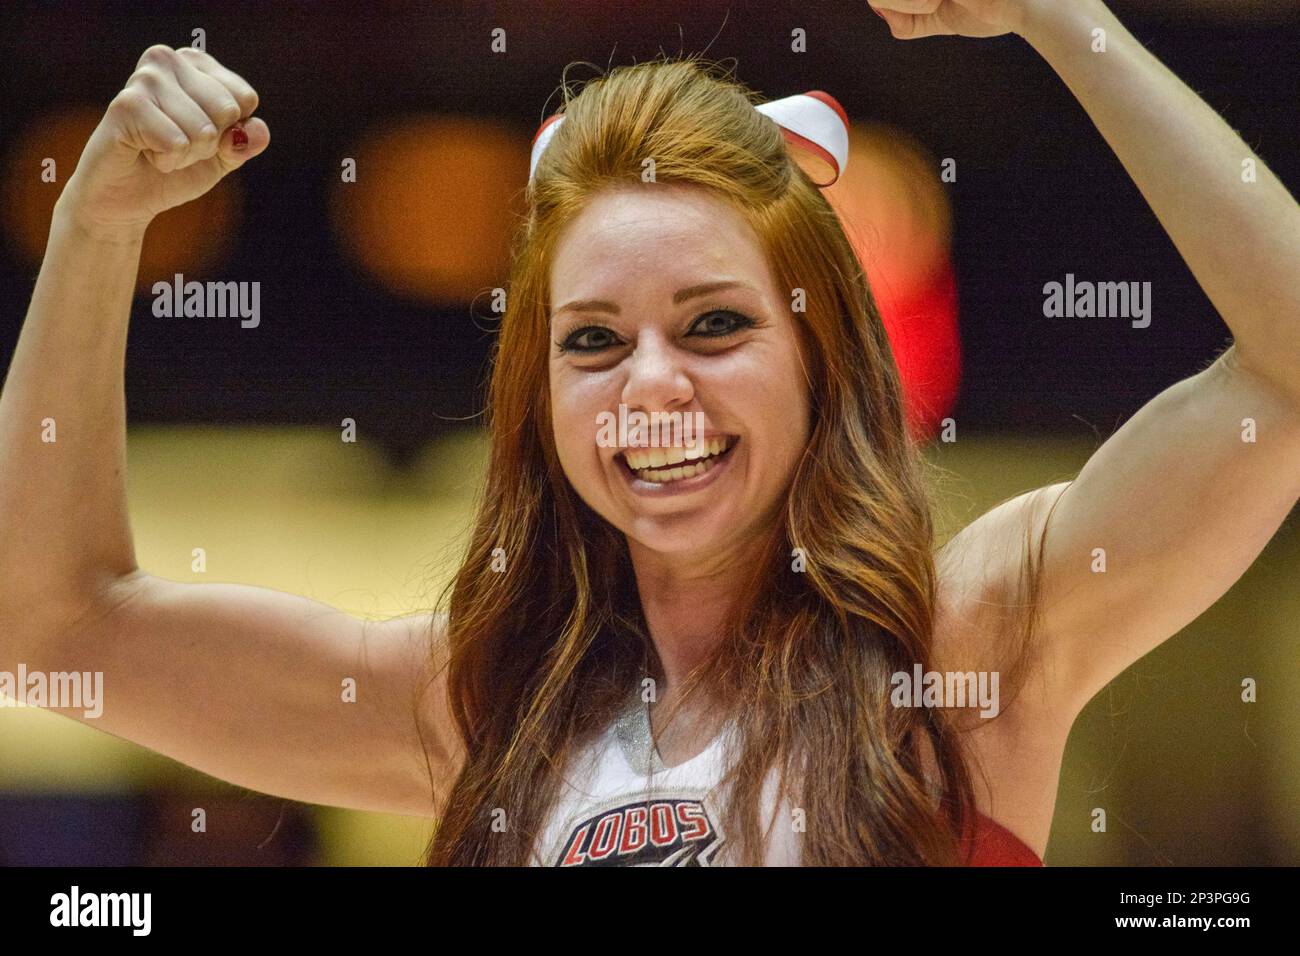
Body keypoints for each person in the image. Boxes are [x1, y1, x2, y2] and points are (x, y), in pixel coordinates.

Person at [1, 0, 1297, 867]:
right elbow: (54, 626)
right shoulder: (477, 705)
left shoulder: (969, 636)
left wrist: (1068, 22)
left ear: (820, 352)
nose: (652, 386)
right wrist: (97, 229)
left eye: (716, 325)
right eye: (594, 340)